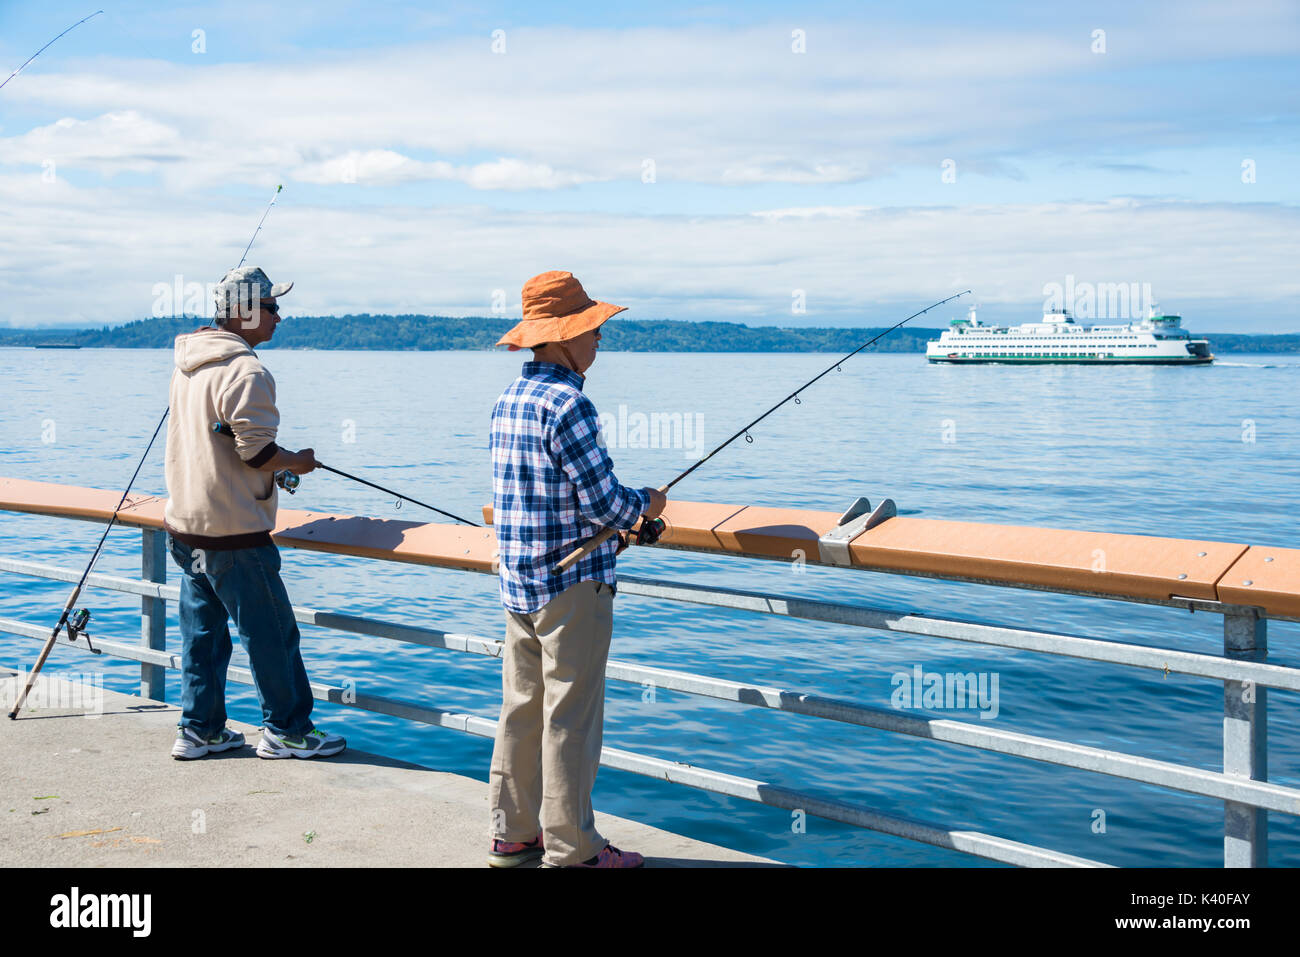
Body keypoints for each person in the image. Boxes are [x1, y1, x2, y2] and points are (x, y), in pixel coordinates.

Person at [486, 270, 667, 868]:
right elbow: (608, 505)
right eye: (591, 328)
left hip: (518, 583)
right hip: (570, 587)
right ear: (561, 337)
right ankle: (574, 850)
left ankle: (512, 836)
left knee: (520, 711)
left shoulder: (508, 401)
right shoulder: (569, 405)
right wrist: (647, 504)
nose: (598, 340)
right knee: (570, 718)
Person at [163, 265, 345, 761]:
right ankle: (287, 731)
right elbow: (257, 453)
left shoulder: (190, 363)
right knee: (273, 636)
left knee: (202, 636)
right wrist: (299, 463)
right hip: (235, 534)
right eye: (270, 307)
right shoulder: (248, 371)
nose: (279, 317)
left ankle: (199, 729)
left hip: (185, 525)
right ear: (244, 312)